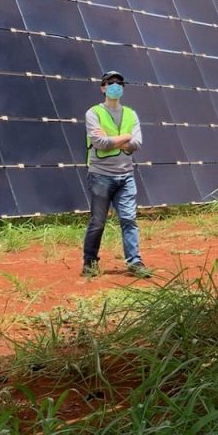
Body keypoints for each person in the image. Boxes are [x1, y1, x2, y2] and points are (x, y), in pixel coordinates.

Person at [81, 70, 152, 279]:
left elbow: (137, 143)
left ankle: (135, 262)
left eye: (119, 83)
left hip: (126, 175)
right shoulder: (93, 113)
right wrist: (126, 137)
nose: (115, 86)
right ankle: (90, 262)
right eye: (110, 83)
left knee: (129, 219)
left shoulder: (131, 114)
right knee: (98, 221)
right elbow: (100, 144)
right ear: (102, 88)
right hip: (101, 175)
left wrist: (116, 138)